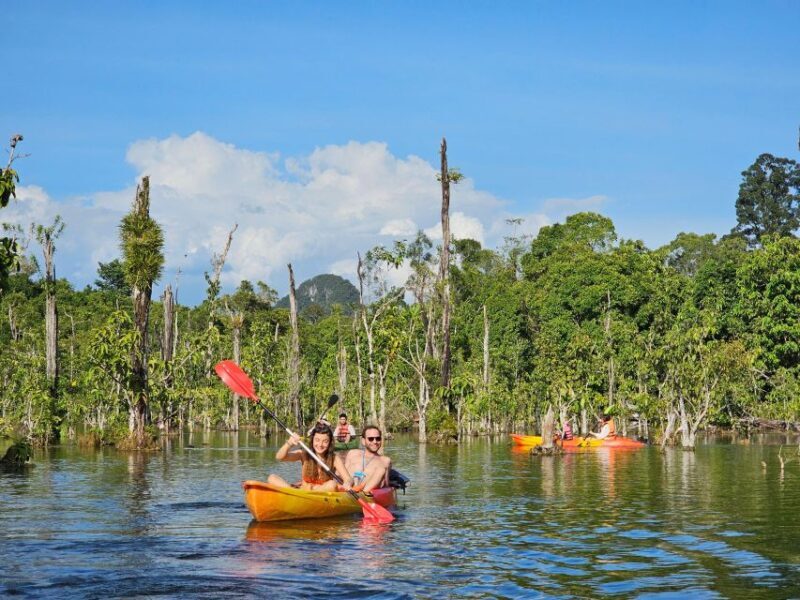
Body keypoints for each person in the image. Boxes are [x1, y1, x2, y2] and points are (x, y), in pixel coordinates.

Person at [267, 424, 351, 492]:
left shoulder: (334, 458)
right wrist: (289, 443)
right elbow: (279, 457)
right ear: (312, 440)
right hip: (302, 491)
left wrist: (347, 483)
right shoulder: (304, 454)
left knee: (332, 484)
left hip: (320, 493)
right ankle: (293, 492)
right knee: (272, 478)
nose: (320, 444)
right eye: (317, 440)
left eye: (325, 441)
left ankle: (300, 493)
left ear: (329, 443)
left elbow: (348, 479)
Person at [343, 425, 391, 493]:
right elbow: (342, 474)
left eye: (378, 438)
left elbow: (386, 485)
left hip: (366, 492)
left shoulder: (385, 460)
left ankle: (361, 490)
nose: (375, 442)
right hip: (346, 489)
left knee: (381, 469)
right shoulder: (352, 453)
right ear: (363, 441)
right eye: (371, 439)